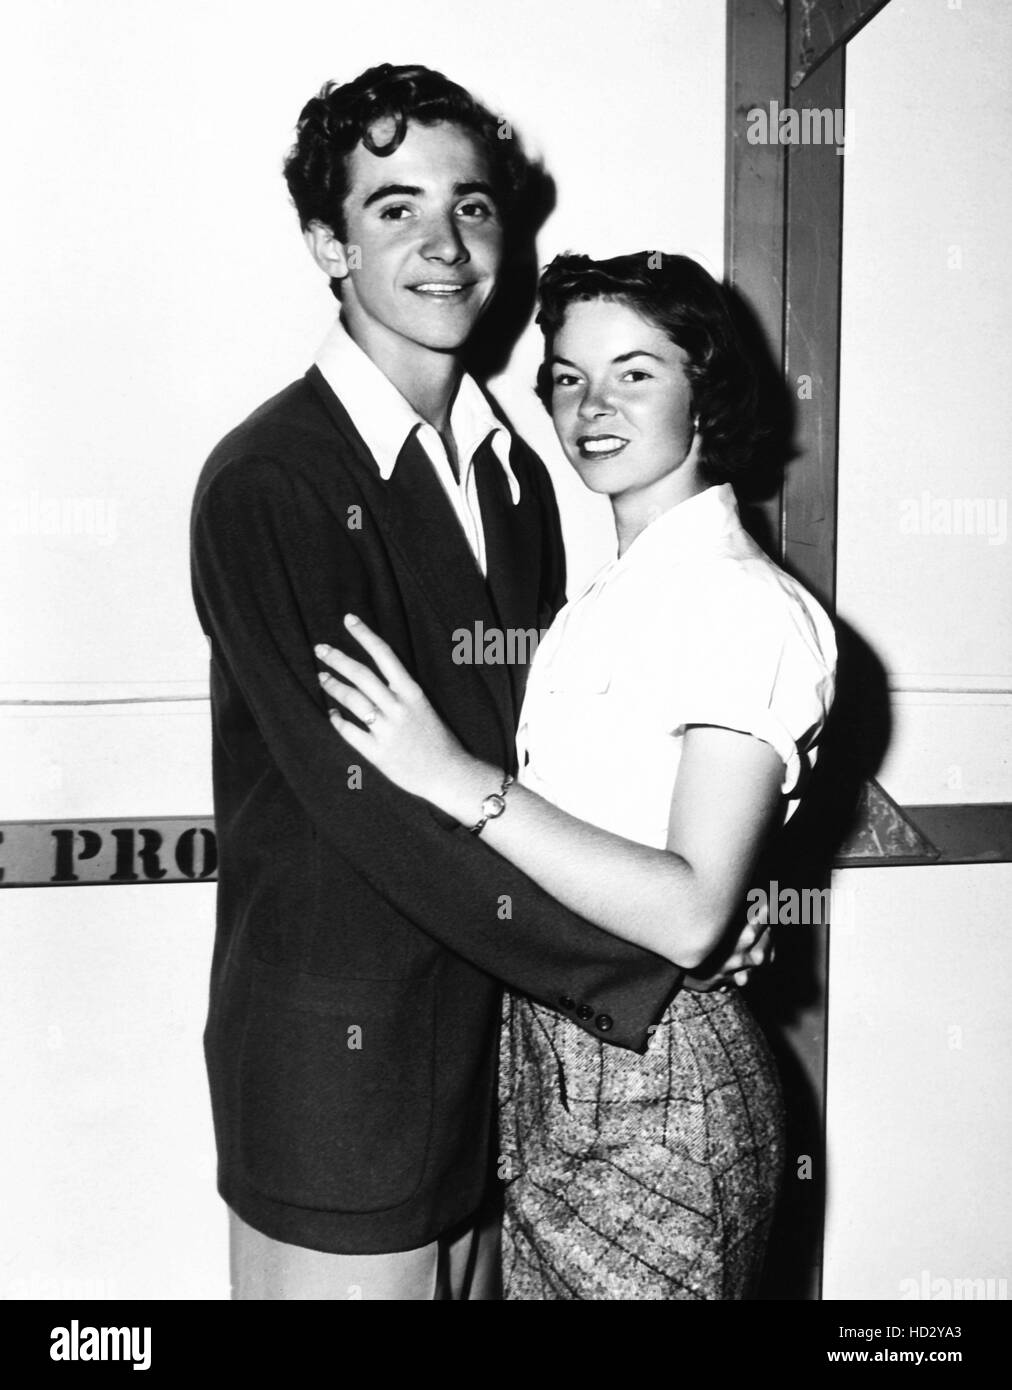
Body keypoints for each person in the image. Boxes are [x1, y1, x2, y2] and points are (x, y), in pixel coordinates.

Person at [190, 70, 759, 1301]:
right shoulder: (272, 482)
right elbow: (372, 802)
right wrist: (648, 953)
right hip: (339, 1084)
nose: (445, 246)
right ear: (325, 244)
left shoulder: (512, 479)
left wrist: (686, 884)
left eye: (473, 206)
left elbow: (523, 771)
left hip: (491, 1070)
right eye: (394, 210)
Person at [315, 251, 837, 1299]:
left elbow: (689, 913)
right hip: (548, 1059)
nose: (591, 405)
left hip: (659, 1087)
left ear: (705, 387)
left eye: (635, 372)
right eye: (566, 376)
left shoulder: (742, 605)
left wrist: (455, 777)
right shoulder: (602, 597)